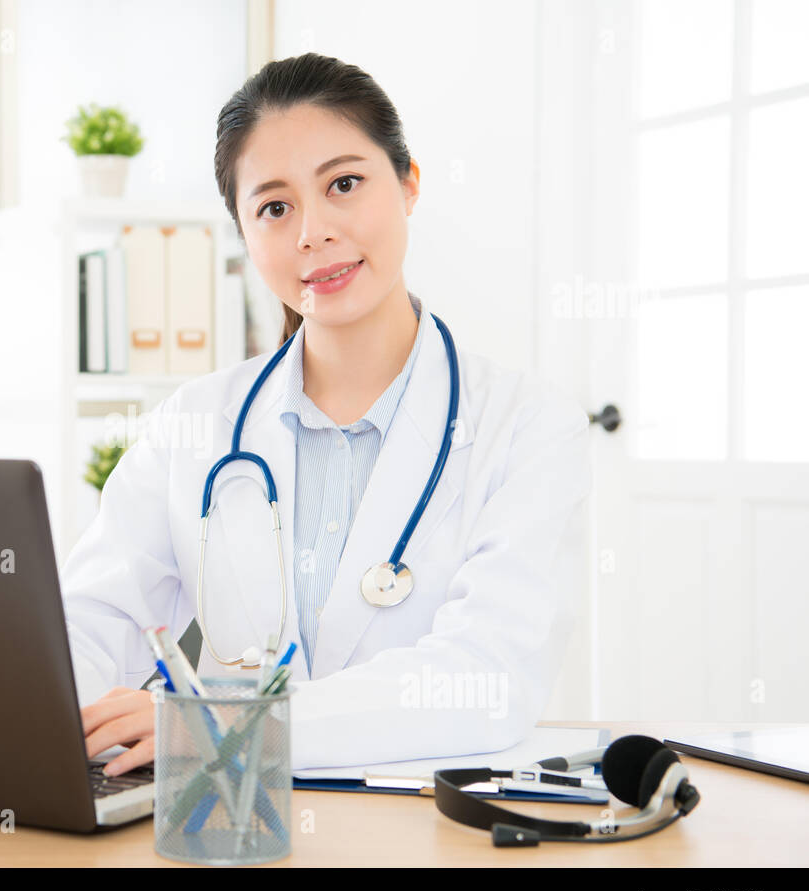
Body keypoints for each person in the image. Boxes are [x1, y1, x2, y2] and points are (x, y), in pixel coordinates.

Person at [66, 52, 592, 777]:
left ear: (408, 184)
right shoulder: (195, 424)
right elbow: (91, 623)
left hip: (425, 839)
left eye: (344, 184)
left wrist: (241, 726)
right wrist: (70, 723)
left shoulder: (527, 425)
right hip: (232, 831)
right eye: (274, 207)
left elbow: (488, 674)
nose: (312, 232)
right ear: (245, 234)